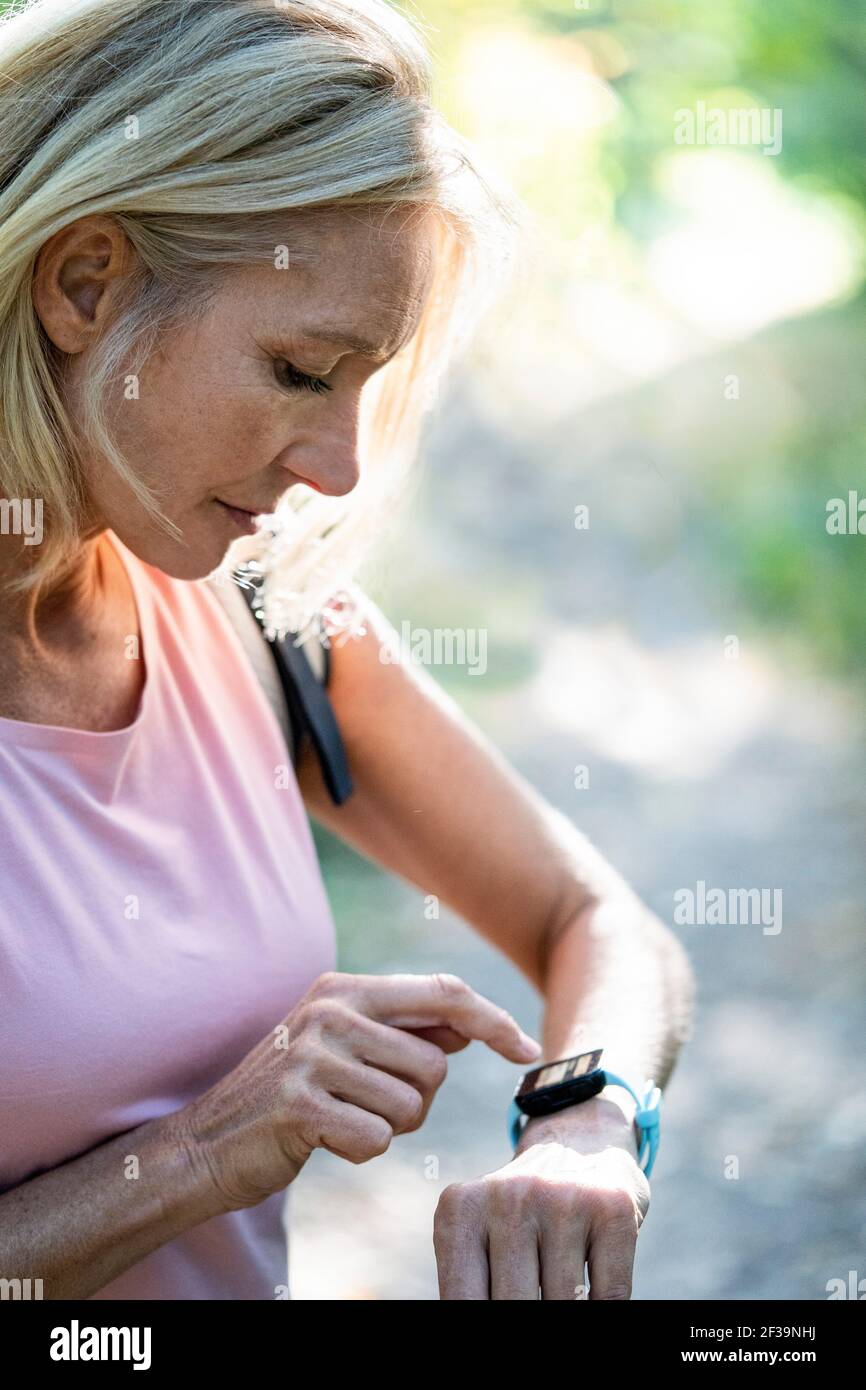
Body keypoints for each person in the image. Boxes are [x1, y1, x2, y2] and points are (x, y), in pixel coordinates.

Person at [0, 0, 694, 1301]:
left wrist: (589, 1119)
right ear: (86, 283)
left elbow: (591, 920)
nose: (340, 465)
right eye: (302, 369)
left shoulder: (254, 610)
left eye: (365, 382)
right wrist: (205, 1147)